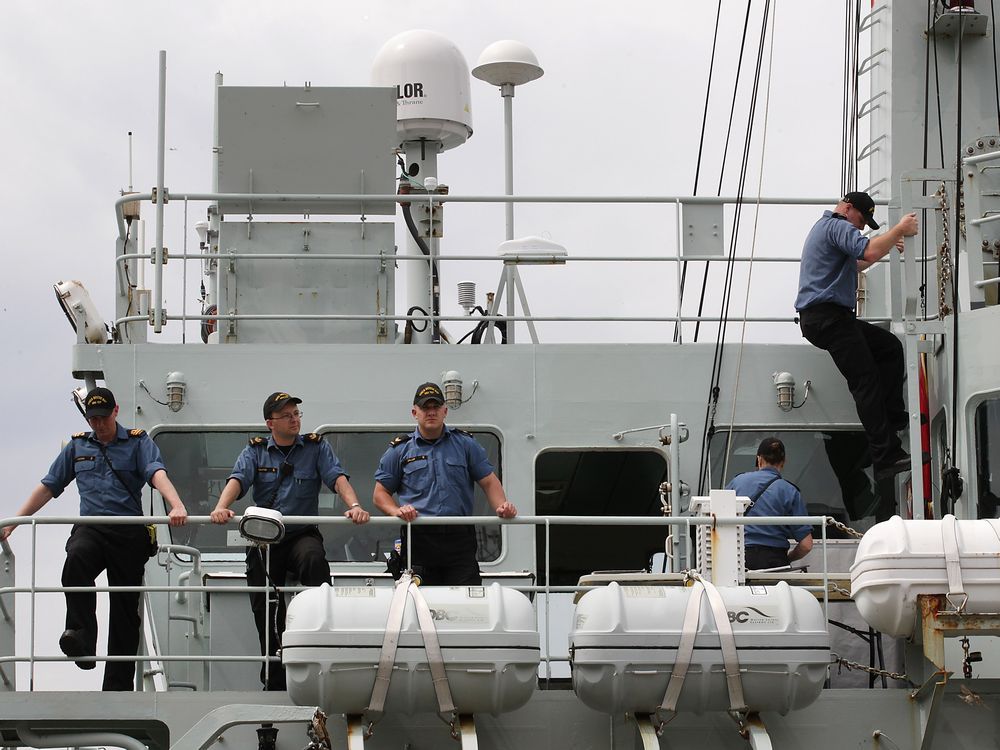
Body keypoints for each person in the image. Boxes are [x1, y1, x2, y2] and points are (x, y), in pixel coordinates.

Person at [1, 387, 188, 690]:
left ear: (115, 412)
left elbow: (157, 474)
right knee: (75, 562)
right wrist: (16, 523)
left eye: (103, 418)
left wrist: (176, 504)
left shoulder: (138, 442)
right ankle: (81, 638)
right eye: (93, 419)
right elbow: (49, 486)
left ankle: (117, 685)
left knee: (125, 608)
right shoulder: (77, 447)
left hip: (128, 530)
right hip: (91, 527)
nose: (98, 425)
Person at [210, 391, 368, 690]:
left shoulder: (315, 448)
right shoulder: (255, 452)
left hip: (300, 533)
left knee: (313, 561)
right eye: (287, 415)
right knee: (264, 602)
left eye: (297, 414)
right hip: (264, 537)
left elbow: (337, 478)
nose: (295, 419)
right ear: (271, 423)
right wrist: (221, 507)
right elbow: (238, 480)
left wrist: (355, 505)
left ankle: (320, 648)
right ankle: (274, 673)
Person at [795, 191, 919, 480]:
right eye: (861, 220)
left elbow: (860, 263)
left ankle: (892, 419)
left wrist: (889, 243)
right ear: (847, 209)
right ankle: (886, 457)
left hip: (826, 318)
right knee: (866, 381)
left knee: (889, 348)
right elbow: (869, 252)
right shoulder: (837, 226)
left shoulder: (827, 230)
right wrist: (899, 229)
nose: (860, 228)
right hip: (828, 317)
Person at [373, 382, 517, 585]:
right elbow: (380, 494)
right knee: (419, 604)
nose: (431, 412)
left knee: (467, 604)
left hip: (459, 536)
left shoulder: (466, 444)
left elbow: (489, 481)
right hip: (419, 537)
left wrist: (501, 506)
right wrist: (396, 511)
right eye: (425, 407)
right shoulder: (399, 450)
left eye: (435, 407)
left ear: (445, 411)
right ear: (415, 412)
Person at [727, 437, 813, 570]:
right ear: (783, 462)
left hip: (739, 558)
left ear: (759, 459)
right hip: (775, 560)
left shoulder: (737, 482)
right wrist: (787, 559)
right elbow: (806, 545)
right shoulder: (790, 491)